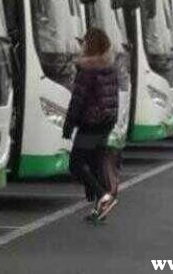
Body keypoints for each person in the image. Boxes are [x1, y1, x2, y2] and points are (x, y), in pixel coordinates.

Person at [63, 28, 119, 221]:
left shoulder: (87, 69)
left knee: (76, 164)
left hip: (91, 122)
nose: (81, 45)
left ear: (90, 45)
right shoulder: (110, 67)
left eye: (84, 42)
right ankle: (99, 208)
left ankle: (104, 196)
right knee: (95, 163)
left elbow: (78, 101)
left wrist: (69, 125)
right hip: (106, 121)